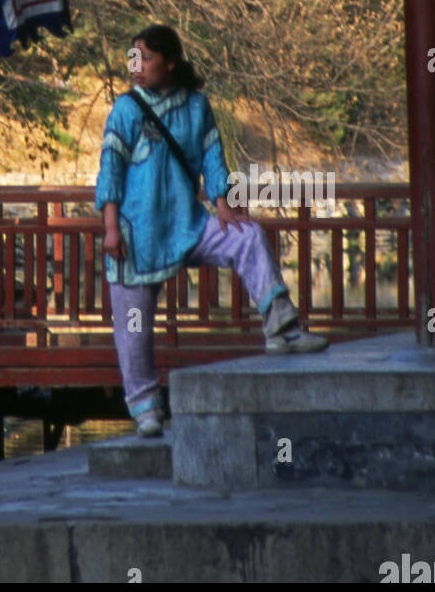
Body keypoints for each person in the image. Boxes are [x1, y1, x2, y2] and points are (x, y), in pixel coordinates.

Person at [96, 24, 328, 439]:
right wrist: (110, 225)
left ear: (169, 62)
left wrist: (223, 202)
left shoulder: (196, 105)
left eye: (145, 57)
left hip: (188, 223)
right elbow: (110, 169)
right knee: (134, 328)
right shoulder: (126, 109)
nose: (137, 65)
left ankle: (282, 327)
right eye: (133, 57)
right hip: (138, 235)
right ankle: (146, 408)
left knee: (248, 236)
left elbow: (212, 155)